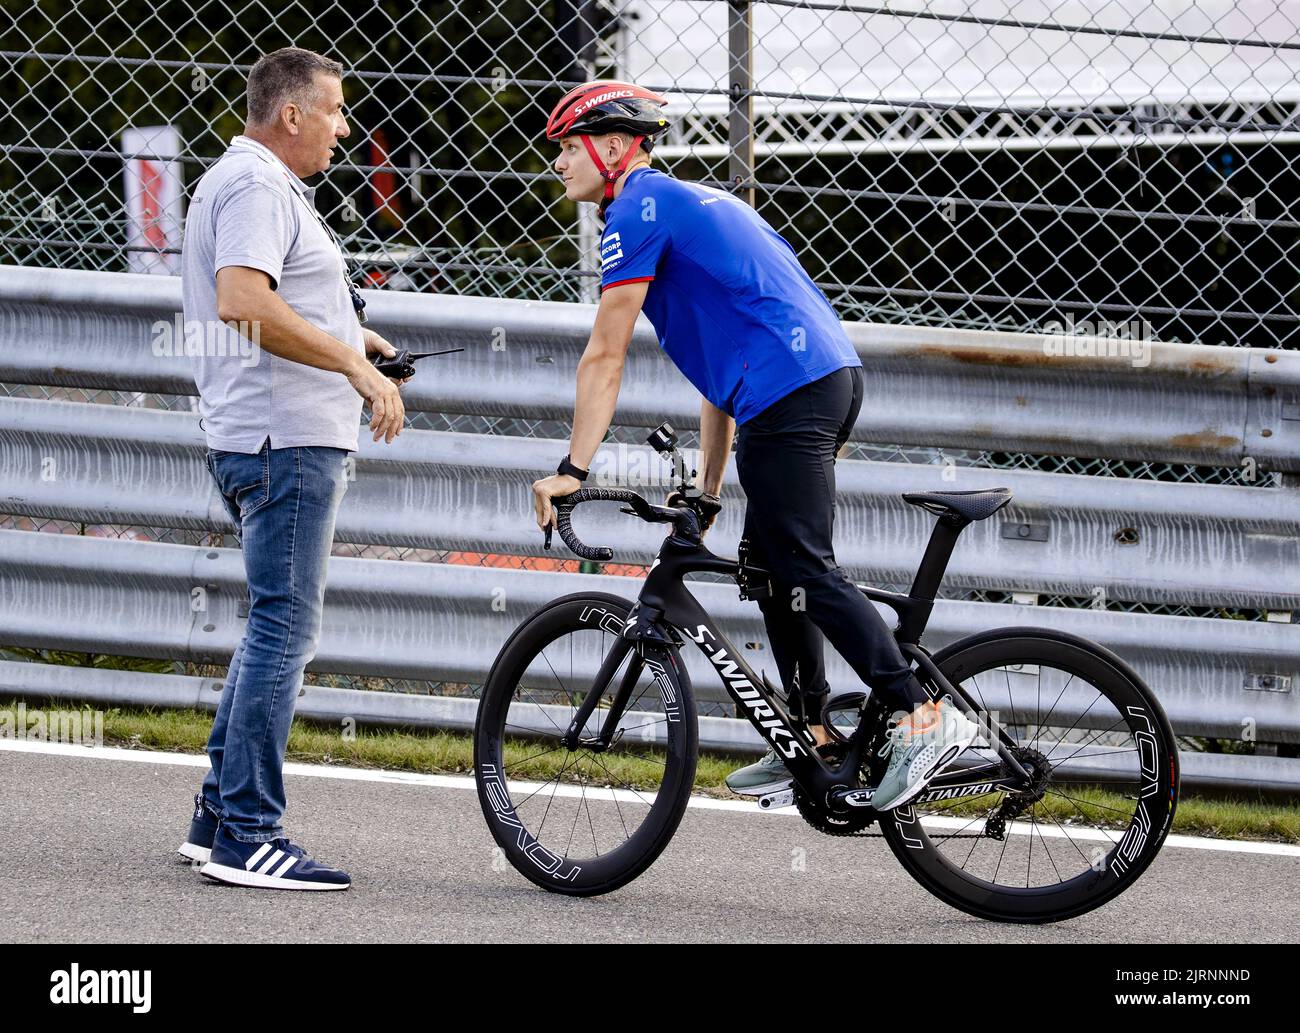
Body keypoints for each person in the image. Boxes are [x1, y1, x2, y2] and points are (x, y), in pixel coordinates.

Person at [530, 81, 979, 811]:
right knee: (768, 565)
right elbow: (718, 379)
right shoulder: (691, 203)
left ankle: (920, 714)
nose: (556, 163)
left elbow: (603, 354)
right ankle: (812, 735)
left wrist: (572, 470)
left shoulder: (637, 206)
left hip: (792, 391)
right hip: (809, 382)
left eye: (564, 147)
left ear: (612, 148)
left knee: (802, 560)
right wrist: (708, 494)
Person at [177, 47, 408, 889]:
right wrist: (353, 369)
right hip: (285, 443)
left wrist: (360, 341)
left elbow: (282, 298)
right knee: (285, 630)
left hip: (272, 437)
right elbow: (244, 301)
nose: (346, 129)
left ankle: (215, 818)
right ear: (293, 116)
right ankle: (249, 833)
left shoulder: (248, 184)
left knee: (270, 623)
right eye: (338, 113)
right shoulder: (256, 186)